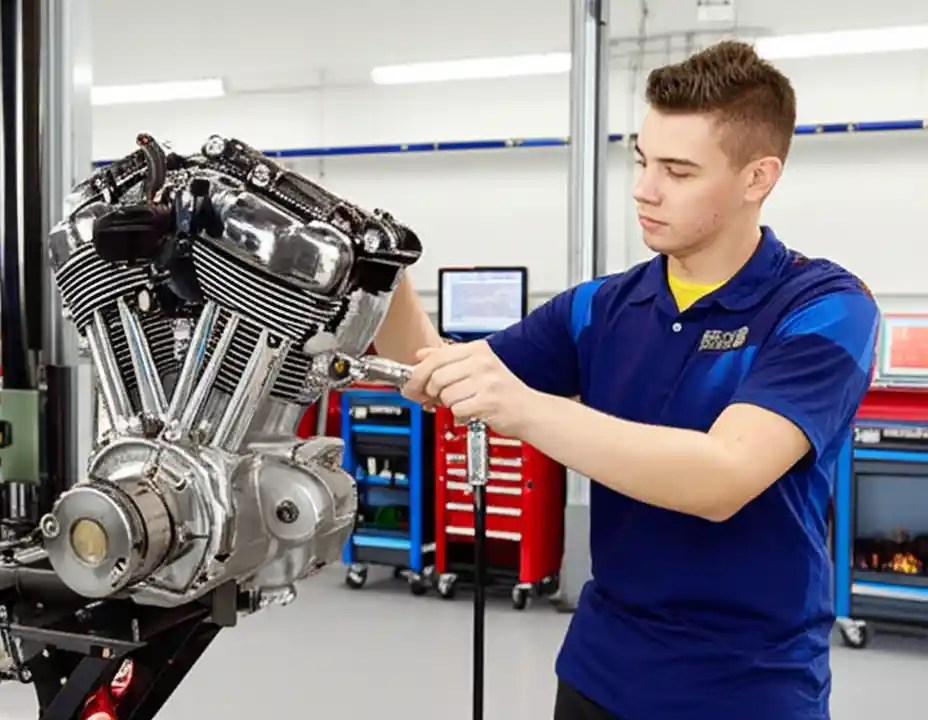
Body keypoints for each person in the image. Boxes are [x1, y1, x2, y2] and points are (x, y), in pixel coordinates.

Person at [375, 40, 880, 720]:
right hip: (598, 675)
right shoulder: (598, 308)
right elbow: (433, 373)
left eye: (678, 170)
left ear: (757, 178)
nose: (645, 189)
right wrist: (382, 274)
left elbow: (720, 478)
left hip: (746, 691)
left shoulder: (823, 308)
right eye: (643, 161)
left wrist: (522, 408)